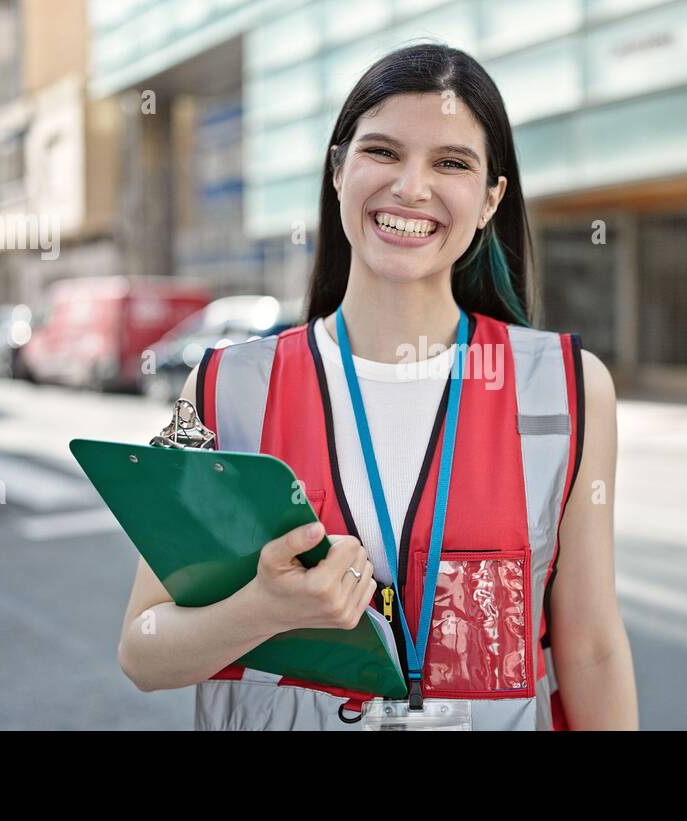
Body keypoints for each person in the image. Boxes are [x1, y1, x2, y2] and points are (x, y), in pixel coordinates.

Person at [118, 42, 636, 730]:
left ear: (489, 200)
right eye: (383, 152)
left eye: (450, 162)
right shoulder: (229, 387)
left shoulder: (566, 388)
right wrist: (266, 609)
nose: (411, 187)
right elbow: (144, 652)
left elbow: (592, 647)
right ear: (339, 171)